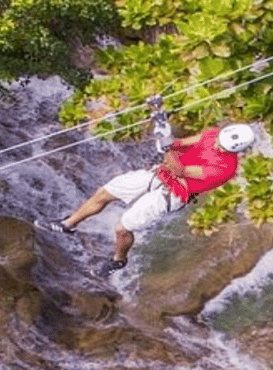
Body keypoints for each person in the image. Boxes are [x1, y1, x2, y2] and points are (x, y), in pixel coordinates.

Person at [36, 106, 256, 278]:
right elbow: (180, 144)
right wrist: (165, 132)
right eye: (218, 141)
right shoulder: (214, 135)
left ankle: (118, 260)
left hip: (173, 193)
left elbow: (178, 169)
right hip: (159, 174)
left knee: (122, 228)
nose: (217, 145)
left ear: (234, 151)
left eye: (223, 148)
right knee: (104, 193)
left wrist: (166, 146)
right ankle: (67, 225)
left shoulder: (224, 169)